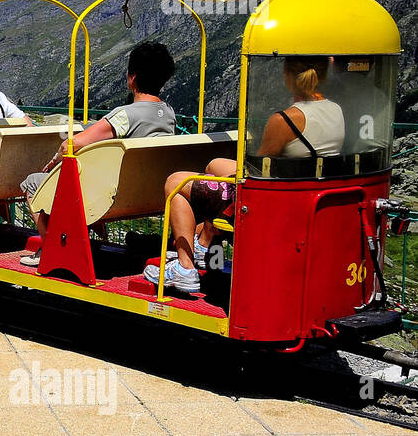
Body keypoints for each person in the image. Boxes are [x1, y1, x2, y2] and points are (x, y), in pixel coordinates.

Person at [145, 56, 344, 293]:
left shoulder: (285, 120)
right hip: (304, 189)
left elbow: (255, 171)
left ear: (288, 76)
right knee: (214, 165)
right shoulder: (337, 110)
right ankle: (204, 241)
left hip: (270, 200)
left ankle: (186, 267)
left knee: (176, 182)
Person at [19, 40, 177, 267]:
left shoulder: (125, 115)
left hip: (111, 197)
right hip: (151, 196)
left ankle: (51, 250)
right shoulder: (168, 113)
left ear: (132, 78)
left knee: (34, 182)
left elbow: (71, 145)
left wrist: (53, 162)